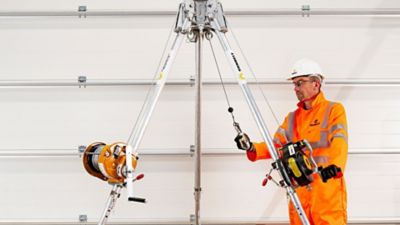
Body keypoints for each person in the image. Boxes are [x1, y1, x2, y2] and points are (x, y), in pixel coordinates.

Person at [235, 59, 348, 225]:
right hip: (300, 190)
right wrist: (252, 147)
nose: (295, 89)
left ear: (316, 83)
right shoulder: (292, 118)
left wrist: (335, 167)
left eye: (300, 83)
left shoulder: (333, 110)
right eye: (294, 84)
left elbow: (340, 141)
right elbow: (275, 146)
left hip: (326, 189)